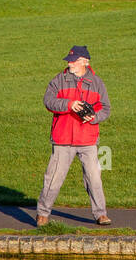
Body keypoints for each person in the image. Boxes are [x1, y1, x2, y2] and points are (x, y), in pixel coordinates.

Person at [36, 45, 112, 227]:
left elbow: (106, 109)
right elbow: (48, 101)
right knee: (53, 178)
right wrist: (69, 105)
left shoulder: (97, 83)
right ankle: (43, 214)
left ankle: (101, 214)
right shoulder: (58, 80)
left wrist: (94, 117)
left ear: (85, 62)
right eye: (70, 60)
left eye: (74, 60)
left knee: (94, 178)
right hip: (63, 139)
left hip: (88, 139)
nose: (70, 63)